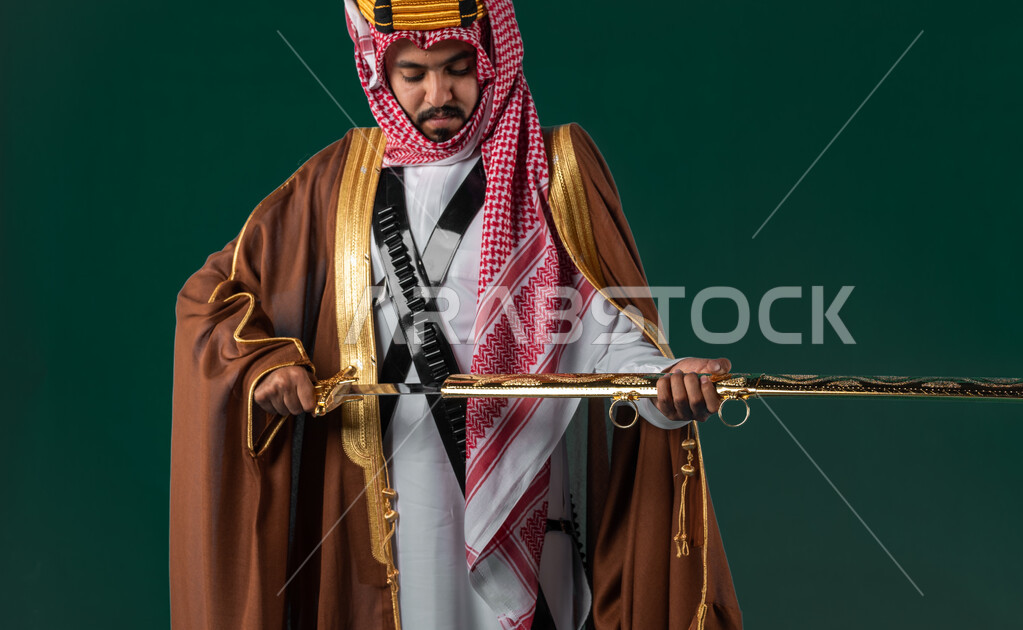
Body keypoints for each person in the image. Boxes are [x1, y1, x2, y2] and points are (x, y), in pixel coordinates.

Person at [171, 1, 742, 628]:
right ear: (379, 73)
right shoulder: (336, 181)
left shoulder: (553, 172)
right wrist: (268, 366)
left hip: (523, 500)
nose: (437, 92)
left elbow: (607, 338)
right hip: (381, 515)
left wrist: (668, 379)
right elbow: (213, 301)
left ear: (492, 58)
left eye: (458, 67)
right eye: (413, 73)